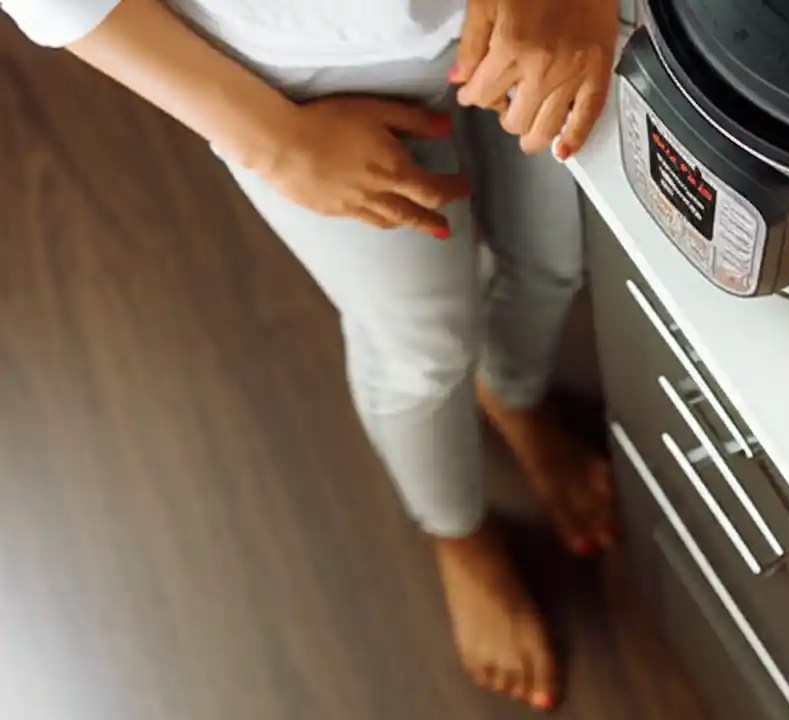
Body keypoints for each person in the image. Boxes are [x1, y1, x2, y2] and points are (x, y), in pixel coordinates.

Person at [0, 0, 621, 710]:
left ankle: (513, 396)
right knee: (421, 350)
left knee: (554, 260)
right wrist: (274, 144)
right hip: (296, 70)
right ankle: (459, 534)